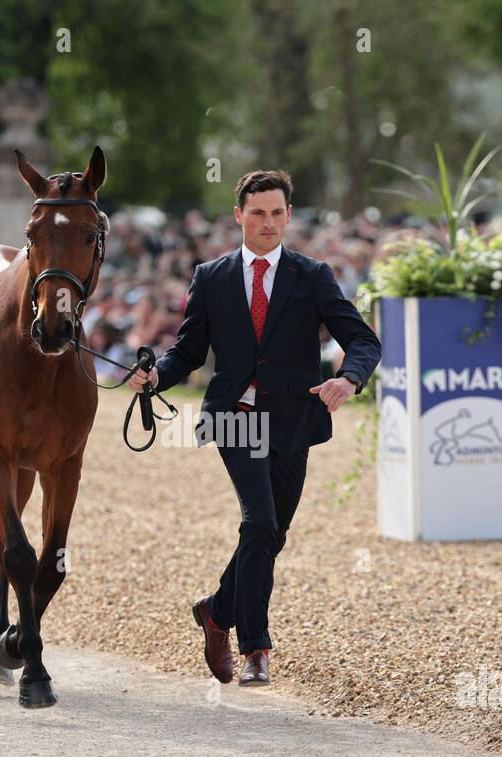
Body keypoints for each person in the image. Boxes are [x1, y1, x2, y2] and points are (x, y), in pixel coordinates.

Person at [127, 169, 380, 688]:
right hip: (236, 419)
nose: (268, 223)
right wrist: (156, 377)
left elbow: (364, 341)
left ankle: (217, 612)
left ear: (289, 216)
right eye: (257, 212)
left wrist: (348, 380)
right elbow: (189, 351)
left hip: (293, 421)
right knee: (260, 521)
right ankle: (256, 648)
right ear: (239, 215)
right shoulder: (211, 276)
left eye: (277, 213)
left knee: (271, 533)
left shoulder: (312, 275)